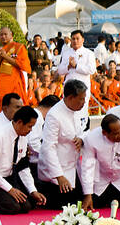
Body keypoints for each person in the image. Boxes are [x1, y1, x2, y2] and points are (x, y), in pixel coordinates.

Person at [0, 105, 44, 215]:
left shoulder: (23, 136)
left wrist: (33, 190)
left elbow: (23, 167)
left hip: (7, 176)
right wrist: (10, 189)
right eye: (29, 126)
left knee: (27, 205)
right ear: (19, 122)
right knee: (13, 207)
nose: (30, 131)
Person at [36, 79, 90, 208]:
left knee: (89, 200)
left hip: (73, 167)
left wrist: (81, 138)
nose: (84, 102)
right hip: (55, 172)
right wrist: (59, 176)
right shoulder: (54, 115)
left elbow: (85, 131)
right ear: (70, 98)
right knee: (70, 206)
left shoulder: (79, 109)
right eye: (81, 99)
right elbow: (48, 147)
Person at [0, 26, 32, 105]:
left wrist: (6, 57)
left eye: (5, 34)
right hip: (1, 83)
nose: (3, 36)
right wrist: (0, 58)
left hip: (14, 82)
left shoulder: (19, 47)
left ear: (11, 35)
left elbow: (23, 65)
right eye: (1, 35)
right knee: (1, 102)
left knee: (14, 103)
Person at [55, 30, 96, 94]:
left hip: (83, 86)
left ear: (83, 40)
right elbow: (60, 70)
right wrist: (68, 67)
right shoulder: (66, 53)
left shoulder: (89, 53)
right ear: (71, 40)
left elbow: (92, 70)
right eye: (73, 39)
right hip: (69, 86)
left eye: (77, 39)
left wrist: (76, 66)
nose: (75, 41)